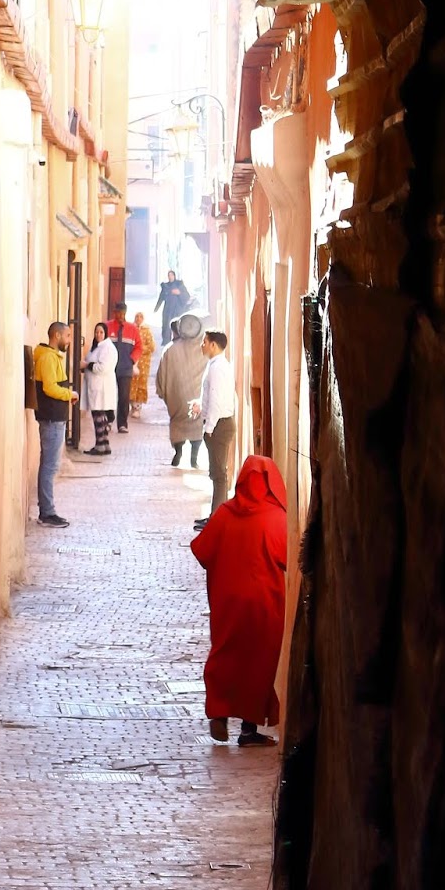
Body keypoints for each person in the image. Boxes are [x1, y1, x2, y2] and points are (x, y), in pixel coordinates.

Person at [190, 455, 287, 745]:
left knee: (225, 654)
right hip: (263, 603)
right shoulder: (275, 518)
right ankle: (249, 728)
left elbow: (202, 551)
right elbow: (287, 557)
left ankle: (219, 714)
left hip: (228, 602)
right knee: (258, 661)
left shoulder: (224, 514)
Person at [32, 321, 77, 527]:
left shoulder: (51, 356)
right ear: (57, 336)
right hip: (51, 418)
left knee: (49, 465)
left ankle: (47, 510)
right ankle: (47, 513)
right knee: (50, 467)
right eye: (67, 336)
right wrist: (70, 394)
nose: (69, 340)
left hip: (55, 418)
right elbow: (50, 388)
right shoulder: (48, 358)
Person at [190, 329, 236, 528]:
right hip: (219, 423)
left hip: (219, 425)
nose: (202, 345)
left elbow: (217, 399)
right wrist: (202, 408)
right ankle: (215, 516)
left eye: (204, 342)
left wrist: (209, 427)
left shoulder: (218, 368)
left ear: (213, 345)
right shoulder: (217, 365)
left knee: (218, 474)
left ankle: (218, 519)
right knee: (216, 473)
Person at [155, 311, 207, 468]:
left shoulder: (170, 350)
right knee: (197, 425)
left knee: (177, 425)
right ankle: (194, 458)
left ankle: (178, 452)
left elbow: (161, 376)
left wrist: (165, 392)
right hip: (197, 400)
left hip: (176, 402)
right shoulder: (204, 349)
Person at [80, 321, 117, 454]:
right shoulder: (96, 347)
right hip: (95, 386)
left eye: (101, 332)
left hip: (101, 387)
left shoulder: (108, 348)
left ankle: (101, 445)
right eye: (96, 332)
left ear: (105, 333)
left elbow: (103, 367)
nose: (98, 334)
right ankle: (103, 444)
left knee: (99, 417)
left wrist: (87, 365)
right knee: (99, 416)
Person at [106, 302, 142, 433]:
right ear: (114, 312)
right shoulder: (107, 326)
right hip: (109, 368)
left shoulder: (132, 329)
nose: (120, 315)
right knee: (109, 394)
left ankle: (122, 424)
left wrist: (131, 360)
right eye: (118, 313)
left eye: (122, 313)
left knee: (124, 396)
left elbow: (139, 346)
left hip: (125, 368)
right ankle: (109, 420)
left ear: (125, 313)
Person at [129, 311, 155, 415]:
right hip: (132, 360)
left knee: (141, 383)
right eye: (137, 316)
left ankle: (138, 407)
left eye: (141, 317)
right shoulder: (131, 329)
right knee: (130, 383)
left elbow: (152, 347)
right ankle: (131, 405)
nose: (138, 318)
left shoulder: (147, 331)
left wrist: (140, 349)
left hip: (143, 363)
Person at [154, 268, 192, 339]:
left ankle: (179, 338)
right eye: (169, 275)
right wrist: (156, 308)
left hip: (177, 309)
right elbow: (161, 298)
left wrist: (179, 293)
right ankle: (166, 340)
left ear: (174, 276)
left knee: (177, 325)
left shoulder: (179, 285)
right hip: (168, 309)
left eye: (171, 275)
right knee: (166, 325)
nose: (170, 277)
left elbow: (187, 296)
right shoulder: (165, 286)